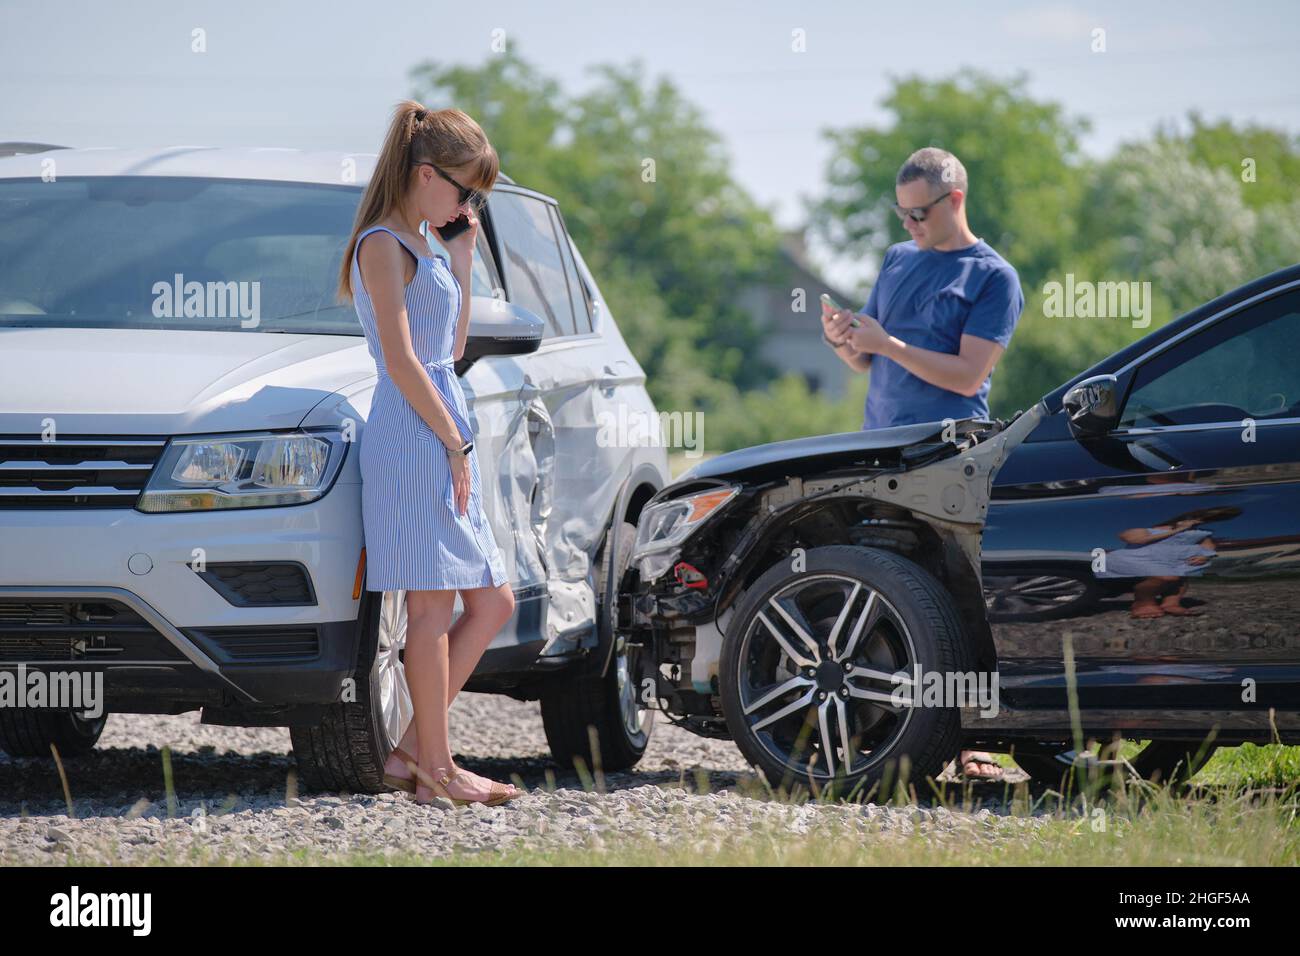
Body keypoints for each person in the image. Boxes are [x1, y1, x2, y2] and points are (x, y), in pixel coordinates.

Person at [336, 100, 521, 807]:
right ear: (423, 174)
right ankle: (436, 772)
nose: (467, 202)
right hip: (418, 435)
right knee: (431, 609)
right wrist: (454, 440)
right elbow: (403, 361)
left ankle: (413, 752)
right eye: (463, 187)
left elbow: (446, 351)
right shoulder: (382, 243)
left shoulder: (426, 246)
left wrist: (465, 259)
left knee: (492, 600)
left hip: (442, 428)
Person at [820, 146, 1024, 782]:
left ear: (954, 200)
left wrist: (888, 343)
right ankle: (887, 735)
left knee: (957, 593)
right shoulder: (898, 259)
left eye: (919, 214)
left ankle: (974, 742)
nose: (908, 226)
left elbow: (967, 377)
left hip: (948, 453)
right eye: (901, 214)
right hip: (878, 448)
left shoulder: (993, 277)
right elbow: (870, 360)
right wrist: (846, 340)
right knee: (884, 590)